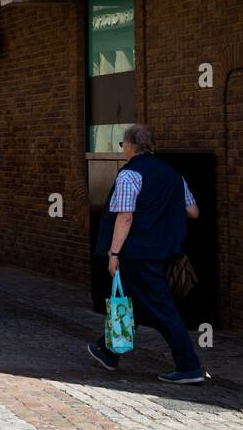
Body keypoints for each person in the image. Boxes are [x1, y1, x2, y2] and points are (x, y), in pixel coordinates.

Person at [88, 124, 205, 384]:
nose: (123, 149)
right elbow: (193, 211)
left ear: (130, 146)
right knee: (132, 302)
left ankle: (189, 366)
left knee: (162, 309)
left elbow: (125, 217)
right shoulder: (173, 174)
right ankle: (108, 352)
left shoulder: (130, 175)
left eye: (122, 145)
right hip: (167, 251)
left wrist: (113, 253)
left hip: (139, 253)